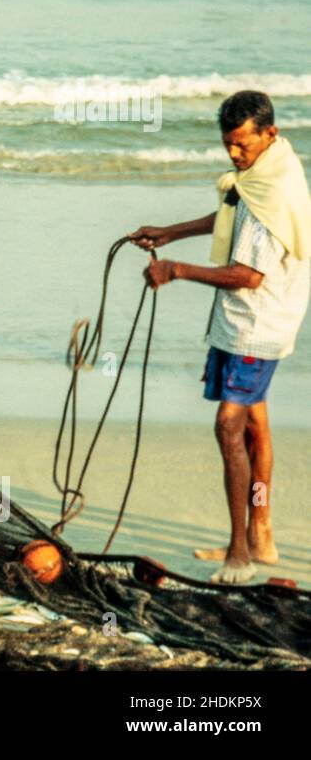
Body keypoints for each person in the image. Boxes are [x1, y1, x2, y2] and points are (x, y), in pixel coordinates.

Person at [130, 91, 310, 584]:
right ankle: (261, 533)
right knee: (254, 423)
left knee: (228, 427)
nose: (233, 154)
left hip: (259, 325)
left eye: (240, 145)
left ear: (268, 134)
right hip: (245, 323)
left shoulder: (275, 186)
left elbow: (249, 275)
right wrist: (171, 232)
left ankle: (239, 552)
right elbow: (233, 216)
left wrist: (177, 270)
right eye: (227, 145)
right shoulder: (267, 172)